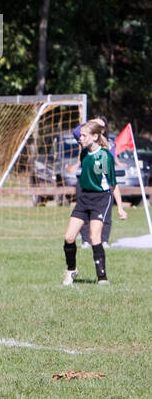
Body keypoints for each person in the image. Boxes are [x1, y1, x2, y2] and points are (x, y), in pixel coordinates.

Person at [63, 119, 127, 285]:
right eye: (81, 135)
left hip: (101, 198)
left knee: (94, 237)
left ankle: (102, 278)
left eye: (84, 136)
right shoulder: (84, 153)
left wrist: (120, 207)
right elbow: (76, 131)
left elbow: (113, 185)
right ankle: (71, 270)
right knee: (69, 237)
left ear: (95, 136)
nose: (80, 138)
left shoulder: (105, 157)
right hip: (84, 198)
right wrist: (91, 122)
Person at [72, 118, 112, 247]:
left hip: (101, 190)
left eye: (101, 125)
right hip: (85, 186)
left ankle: (103, 240)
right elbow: (76, 131)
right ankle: (85, 240)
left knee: (104, 216)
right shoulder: (85, 142)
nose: (81, 138)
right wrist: (88, 124)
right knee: (82, 214)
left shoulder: (108, 146)